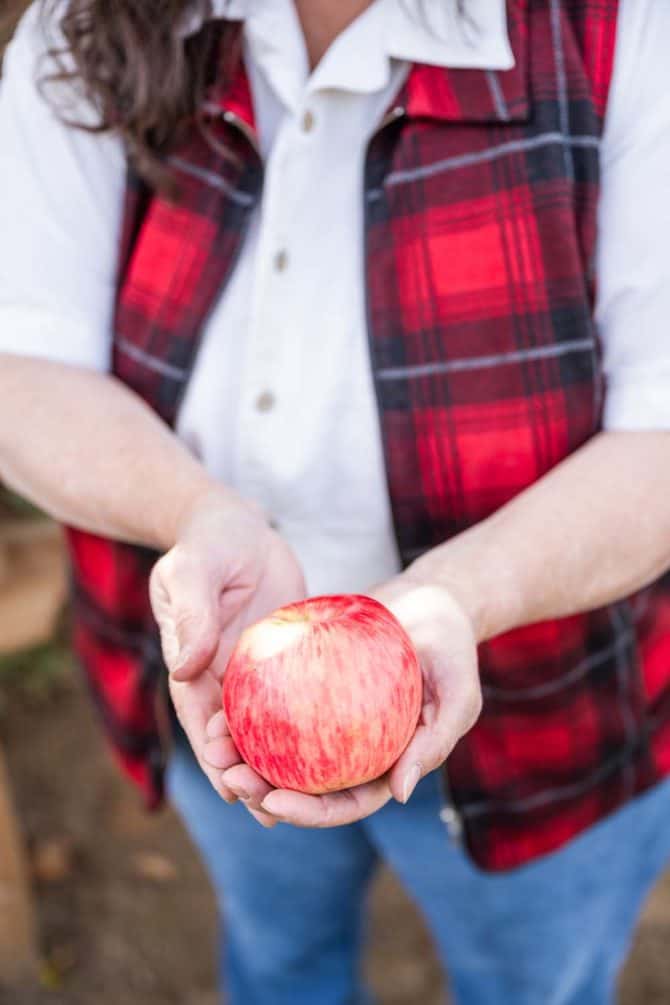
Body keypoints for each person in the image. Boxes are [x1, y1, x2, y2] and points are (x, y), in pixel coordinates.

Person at [1, 0, 670, 1001]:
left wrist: (458, 594)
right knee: (280, 957)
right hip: (227, 671)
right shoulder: (95, 25)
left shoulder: (627, 33)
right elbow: (23, 365)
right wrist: (199, 514)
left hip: (551, 710)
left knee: (535, 980)